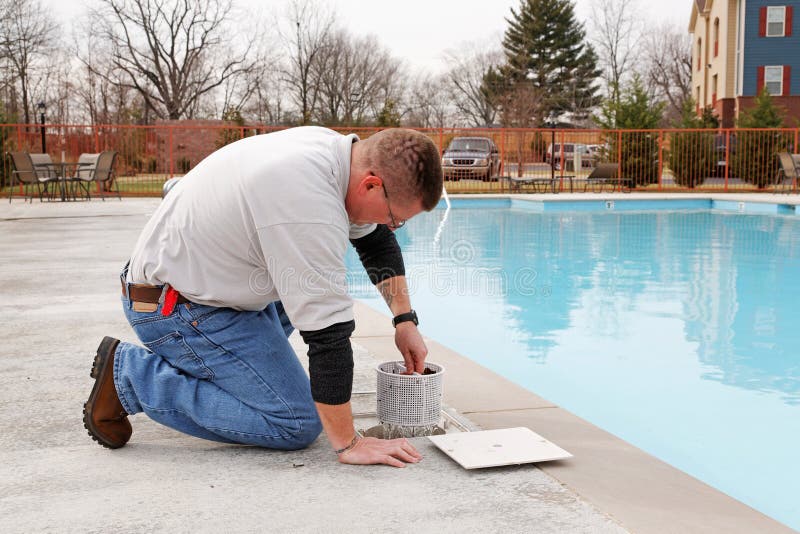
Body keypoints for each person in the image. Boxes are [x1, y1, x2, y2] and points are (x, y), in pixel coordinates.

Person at [82, 126, 443, 467]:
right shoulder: (305, 203)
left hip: (210, 286)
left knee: (316, 287)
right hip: (173, 308)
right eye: (396, 218)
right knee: (296, 421)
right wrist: (349, 442)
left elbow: (375, 241)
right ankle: (132, 377)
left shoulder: (335, 157)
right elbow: (328, 336)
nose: (392, 226)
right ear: (371, 185)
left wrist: (404, 320)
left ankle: (217, 366)